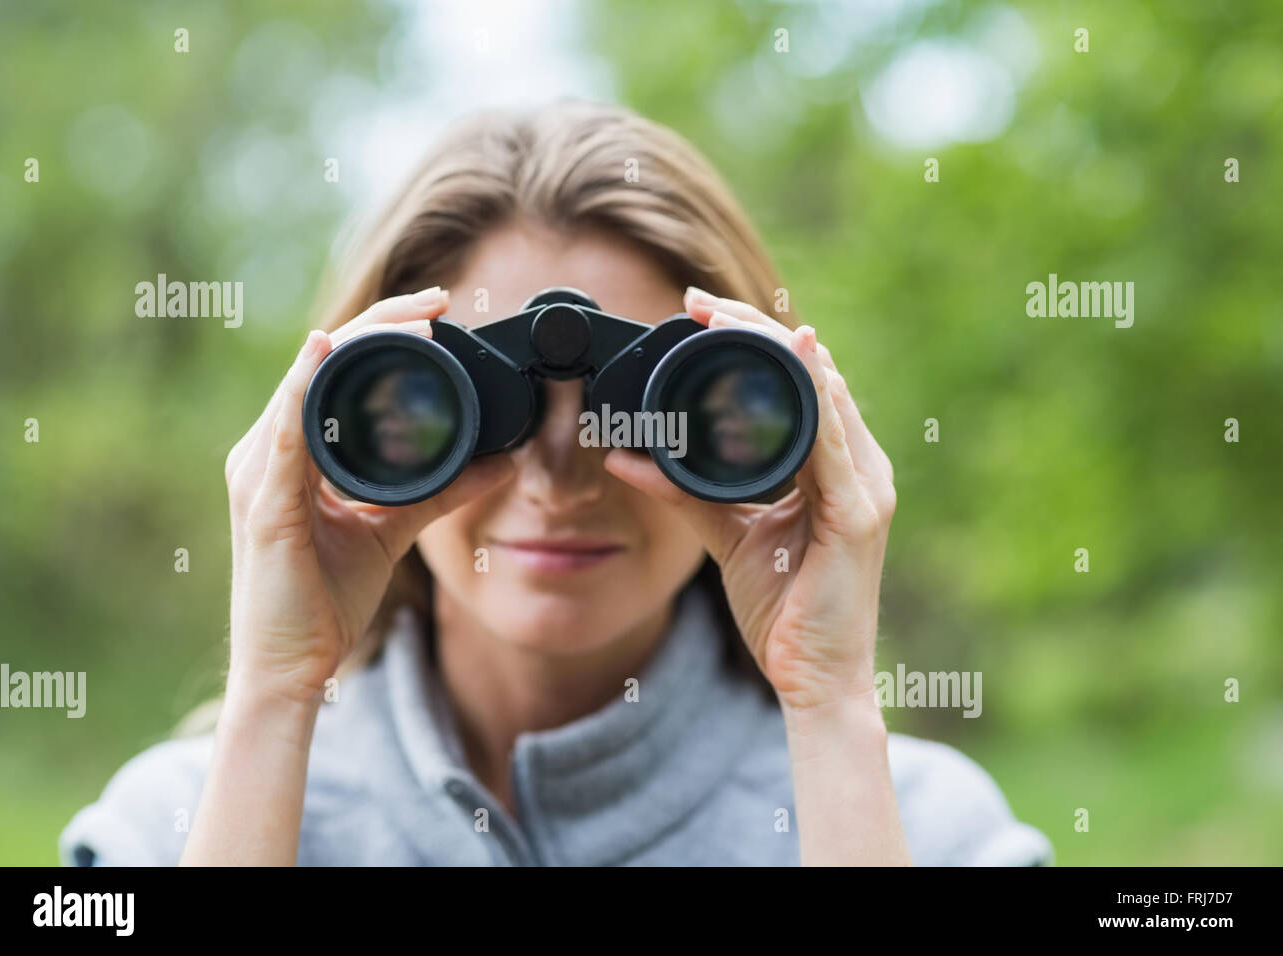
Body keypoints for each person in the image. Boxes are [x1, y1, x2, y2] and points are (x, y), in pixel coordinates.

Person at [60, 99, 1052, 866]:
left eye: (664, 408)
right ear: (339, 424)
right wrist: (275, 695)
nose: (563, 473)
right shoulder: (178, 819)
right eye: (450, 406)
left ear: (774, 422)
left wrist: (831, 708)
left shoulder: (927, 827)